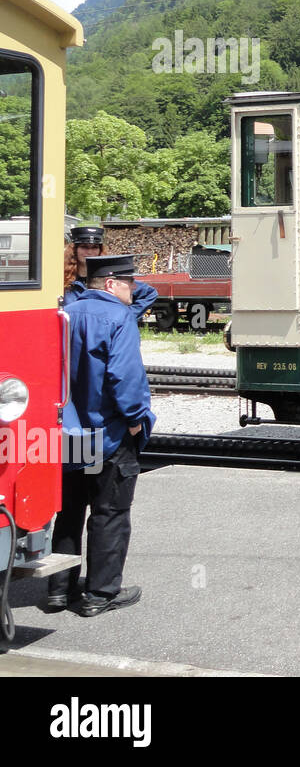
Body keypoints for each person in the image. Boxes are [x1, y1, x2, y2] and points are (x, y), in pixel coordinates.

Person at [46, 254, 155, 616]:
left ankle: (59, 590)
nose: (134, 288)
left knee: (70, 512)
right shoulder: (118, 317)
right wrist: (137, 418)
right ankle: (100, 594)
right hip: (108, 433)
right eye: (128, 282)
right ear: (110, 283)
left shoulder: (65, 314)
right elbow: (125, 377)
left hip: (70, 432)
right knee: (109, 512)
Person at [63, 226, 158, 324]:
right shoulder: (63, 280)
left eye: (94, 247)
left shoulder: (109, 277)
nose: (90, 252)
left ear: (100, 250)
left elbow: (149, 293)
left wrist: (125, 317)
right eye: (84, 247)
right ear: (74, 250)